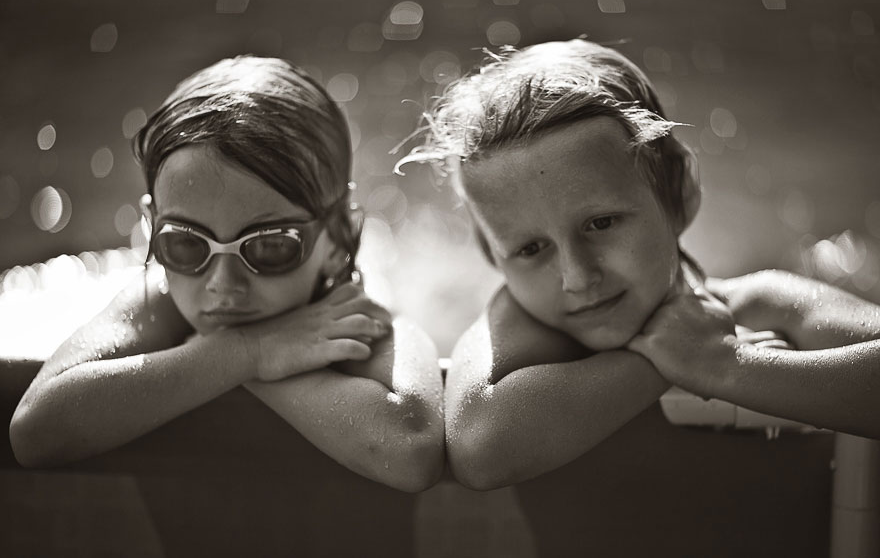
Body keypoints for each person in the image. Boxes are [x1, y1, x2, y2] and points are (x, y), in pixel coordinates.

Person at [398, 38, 880, 490]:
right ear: (492, 255)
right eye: (530, 250)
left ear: (678, 190)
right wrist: (678, 365)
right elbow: (480, 445)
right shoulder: (521, 329)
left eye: (601, 223)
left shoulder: (758, 305)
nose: (578, 277)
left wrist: (728, 364)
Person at [10, 56, 444, 493]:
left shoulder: (350, 321)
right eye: (185, 243)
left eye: (270, 245)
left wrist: (234, 358)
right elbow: (35, 431)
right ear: (150, 229)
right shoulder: (156, 302)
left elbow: (410, 446)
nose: (222, 282)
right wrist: (249, 351)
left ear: (340, 239)